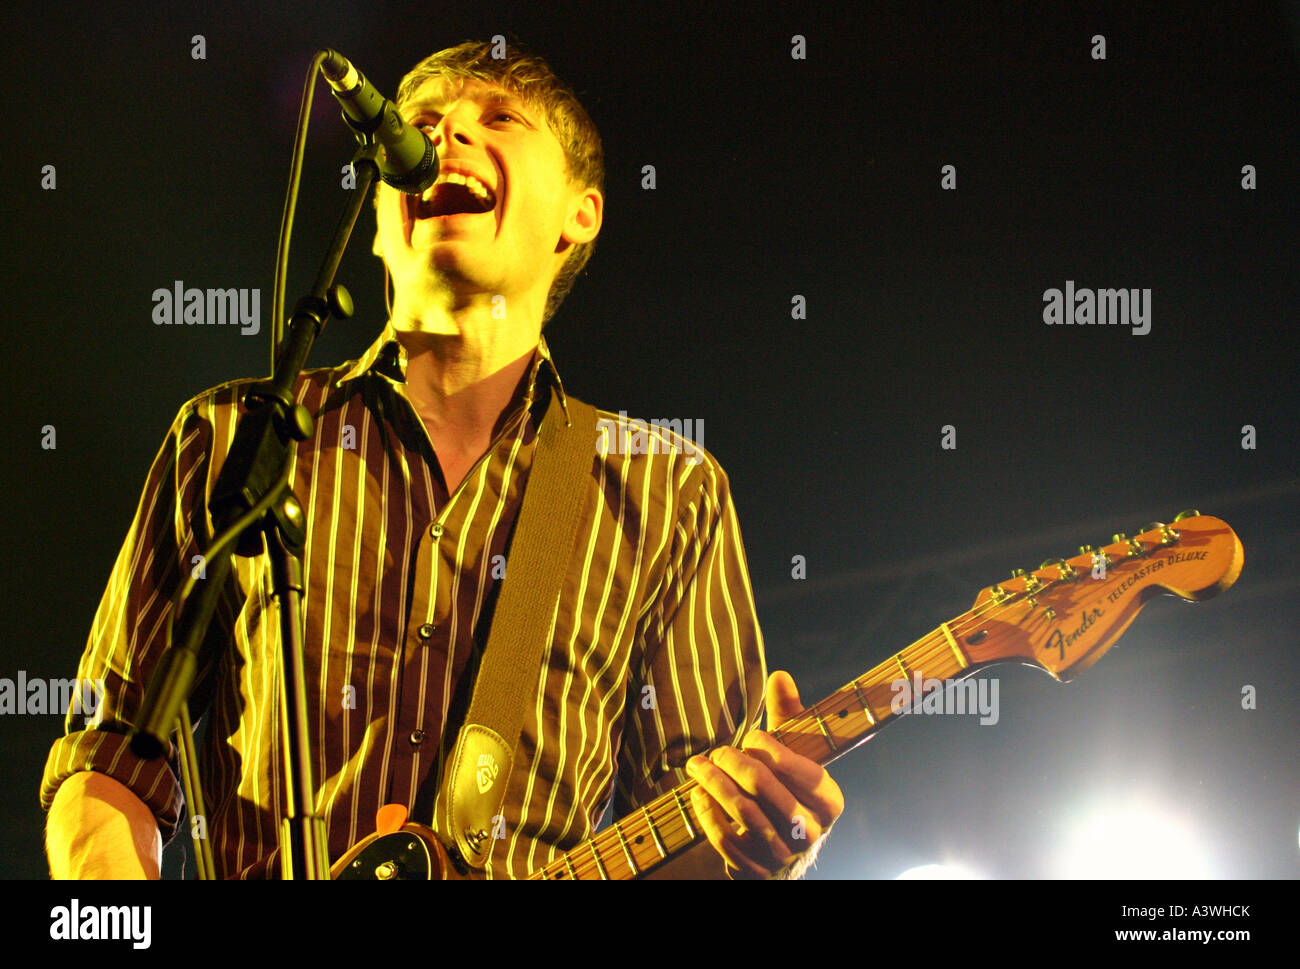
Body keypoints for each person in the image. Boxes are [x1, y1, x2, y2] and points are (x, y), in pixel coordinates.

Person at [41, 40, 844, 880]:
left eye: (499, 118)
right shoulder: (235, 435)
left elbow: (692, 837)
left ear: (581, 213)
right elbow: (107, 762)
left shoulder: (667, 489)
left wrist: (766, 849)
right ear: (380, 228)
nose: (447, 134)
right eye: (423, 123)